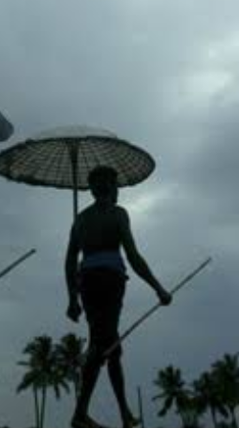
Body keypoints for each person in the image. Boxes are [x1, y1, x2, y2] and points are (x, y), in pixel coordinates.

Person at [65, 165, 172, 428]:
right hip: (108, 282)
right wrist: (158, 287)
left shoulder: (80, 219)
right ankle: (83, 414)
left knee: (109, 347)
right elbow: (133, 257)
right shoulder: (117, 214)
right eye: (115, 185)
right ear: (110, 188)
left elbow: (69, 262)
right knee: (105, 346)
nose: (117, 190)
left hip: (87, 283)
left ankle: (121, 413)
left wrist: (72, 298)